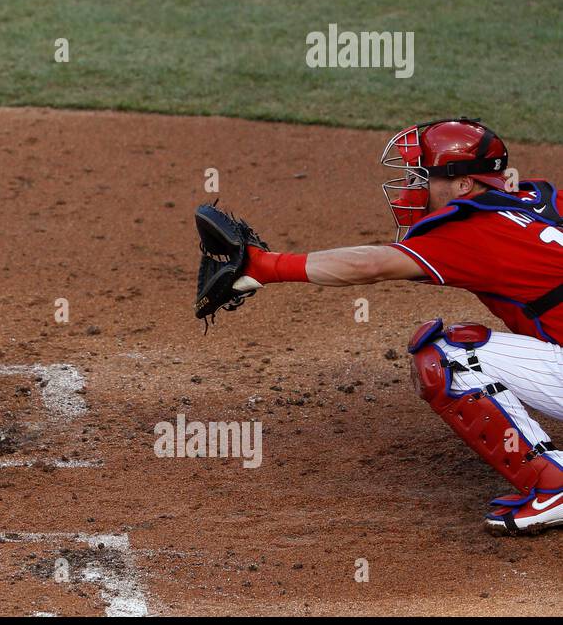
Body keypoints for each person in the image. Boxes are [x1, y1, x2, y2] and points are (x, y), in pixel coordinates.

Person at [233, 117, 563, 534]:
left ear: (463, 185)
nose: (412, 188)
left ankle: (553, 486)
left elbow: (368, 265)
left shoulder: (470, 231)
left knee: (446, 354)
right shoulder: (541, 199)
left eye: (422, 176)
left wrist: (264, 265)